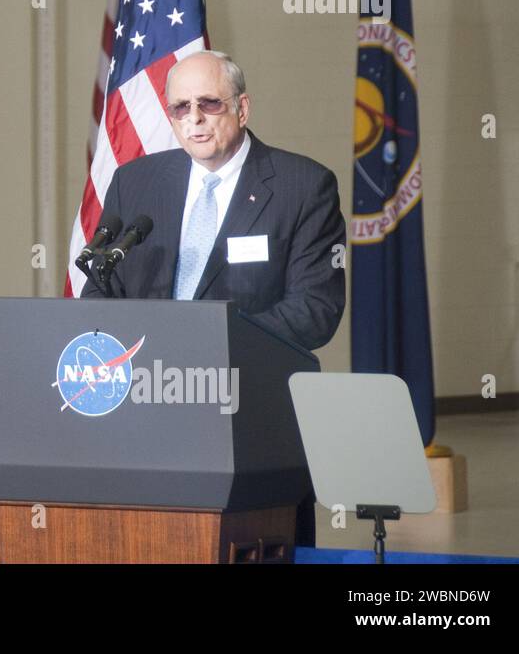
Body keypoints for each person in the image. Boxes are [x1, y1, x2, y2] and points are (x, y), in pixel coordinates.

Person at [83, 50, 345, 544]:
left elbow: (317, 308)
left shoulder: (303, 186)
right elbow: (101, 283)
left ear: (242, 109)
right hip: (143, 408)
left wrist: (210, 350)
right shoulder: (135, 182)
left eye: (210, 104)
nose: (195, 119)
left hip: (250, 414)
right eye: (180, 107)